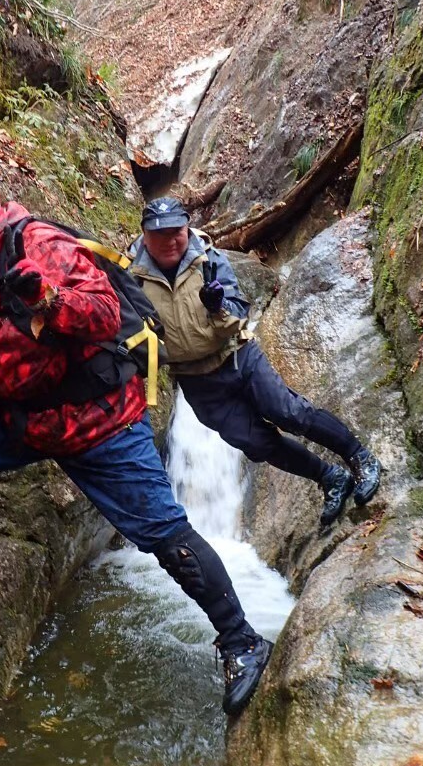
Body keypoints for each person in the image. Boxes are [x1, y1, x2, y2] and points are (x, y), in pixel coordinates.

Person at [0, 160, 271, 716]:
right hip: (27, 419)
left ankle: (242, 641)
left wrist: (47, 301)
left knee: (165, 535)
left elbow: (103, 312)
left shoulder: (36, 242)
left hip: (101, 425)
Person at [129, 196, 382, 525]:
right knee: (256, 443)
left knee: (289, 412)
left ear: (187, 227)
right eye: (161, 233)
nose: (171, 240)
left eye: (177, 230)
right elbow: (127, 328)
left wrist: (217, 306)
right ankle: (330, 478)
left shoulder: (207, 258)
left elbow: (238, 312)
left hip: (238, 357)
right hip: (196, 382)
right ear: (145, 235)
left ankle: (359, 457)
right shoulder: (131, 277)